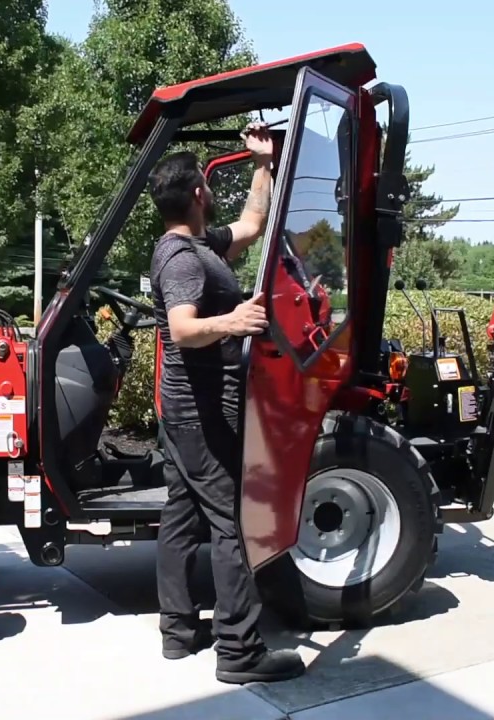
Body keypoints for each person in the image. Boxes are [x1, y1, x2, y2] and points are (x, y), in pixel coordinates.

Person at [147, 122, 306, 685]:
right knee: (230, 524)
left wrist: (263, 164)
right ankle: (239, 652)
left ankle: (178, 631)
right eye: (208, 187)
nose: (213, 194)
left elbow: (253, 224)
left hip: (184, 413)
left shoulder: (194, 245)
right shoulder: (183, 260)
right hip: (200, 413)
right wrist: (234, 321)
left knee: (180, 516)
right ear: (197, 193)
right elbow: (183, 328)